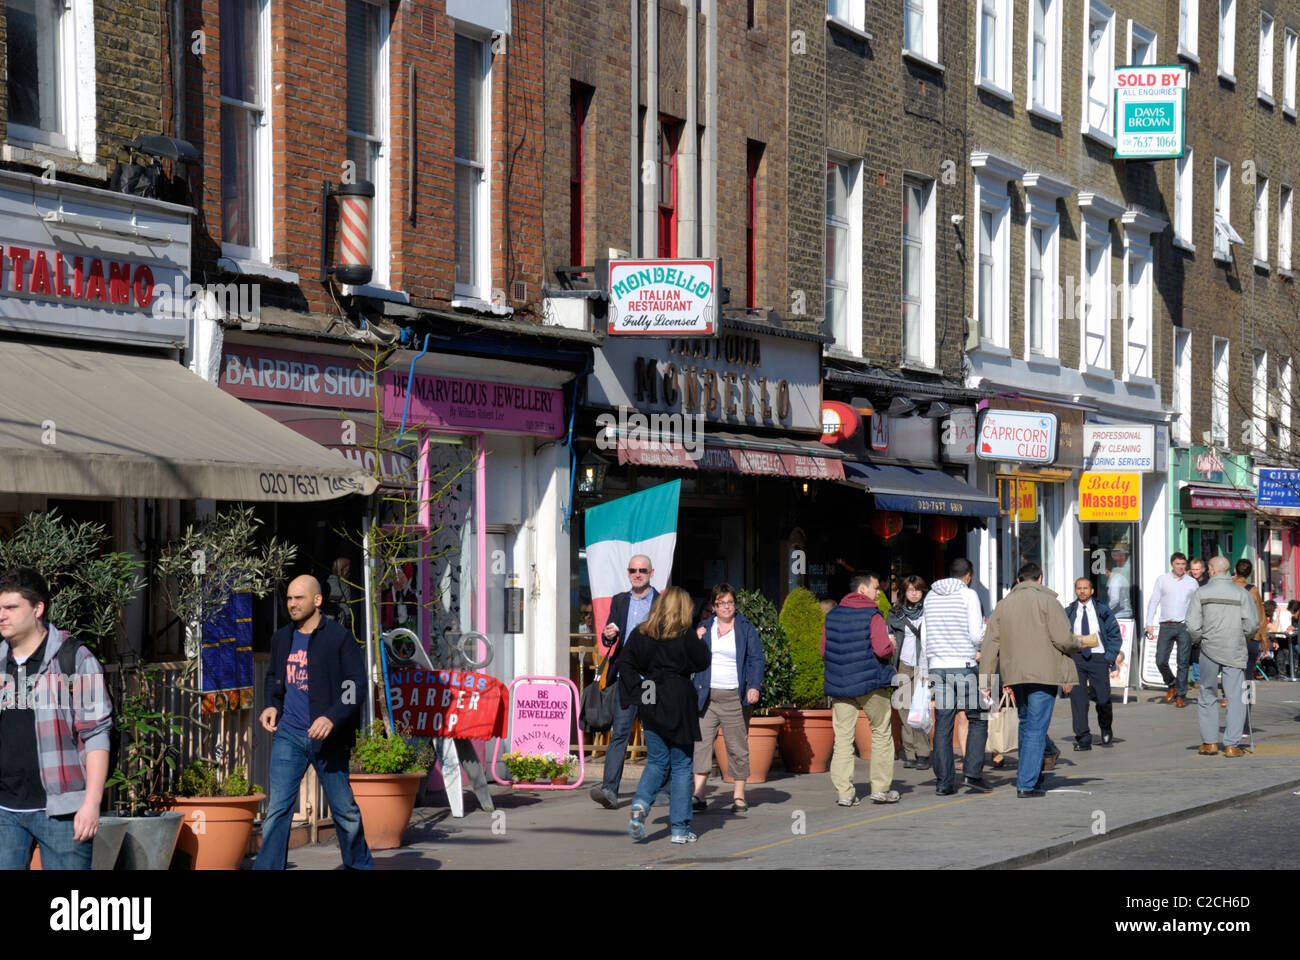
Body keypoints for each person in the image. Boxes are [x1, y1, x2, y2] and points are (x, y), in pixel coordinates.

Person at [254, 575, 372, 870]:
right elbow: (274, 677)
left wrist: (332, 716)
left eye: (299, 598)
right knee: (278, 810)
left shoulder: (339, 638)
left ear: (317, 600)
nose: (292, 604)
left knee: (345, 811)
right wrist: (272, 705)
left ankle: (359, 866)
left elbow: (356, 684)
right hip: (289, 734)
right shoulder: (281, 638)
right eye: (289, 598)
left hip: (328, 739)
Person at [0, 568, 112, 870]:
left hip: (63, 812)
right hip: (4, 811)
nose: (1, 615)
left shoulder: (75, 658)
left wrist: (91, 803)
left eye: (11, 607)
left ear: (37, 609)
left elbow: (96, 734)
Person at [981, 562, 1083, 798]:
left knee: (1026, 723)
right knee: (1036, 727)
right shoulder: (1049, 602)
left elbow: (990, 645)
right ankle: (1027, 783)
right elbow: (1062, 639)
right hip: (1043, 673)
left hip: (1014, 674)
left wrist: (985, 681)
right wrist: (1077, 643)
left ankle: (1031, 777)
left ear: (1018, 580)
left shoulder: (1003, 605)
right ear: (1040, 579)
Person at [619, 587, 711, 844]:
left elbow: (625, 662)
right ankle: (679, 829)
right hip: (678, 695)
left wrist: (637, 688)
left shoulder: (642, 632)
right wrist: (699, 641)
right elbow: (703, 661)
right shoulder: (685, 634)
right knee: (681, 765)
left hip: (650, 694)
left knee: (657, 761)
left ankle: (640, 802)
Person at [821, 571, 899, 805]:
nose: (879, 592)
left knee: (843, 738)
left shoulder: (832, 616)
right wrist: (891, 645)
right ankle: (880, 789)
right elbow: (882, 650)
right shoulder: (872, 615)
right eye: (876, 588)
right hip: (871, 683)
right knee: (881, 732)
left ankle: (845, 793)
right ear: (862, 589)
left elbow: (823, 650)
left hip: (840, 685)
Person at [589, 554, 659, 809]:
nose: (637, 574)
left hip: (650, 679)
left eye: (642, 570)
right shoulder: (620, 600)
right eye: (633, 570)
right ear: (628, 573)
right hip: (625, 678)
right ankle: (609, 790)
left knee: (654, 735)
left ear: (651, 573)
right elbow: (609, 637)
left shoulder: (661, 602)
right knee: (619, 733)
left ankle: (660, 790)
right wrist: (608, 635)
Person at [691, 584, 764, 813]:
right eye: (720, 603)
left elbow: (756, 659)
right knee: (701, 744)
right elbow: (691, 659)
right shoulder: (704, 627)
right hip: (707, 696)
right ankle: (699, 794)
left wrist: (753, 686)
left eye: (730, 602)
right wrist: (695, 641)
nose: (726, 607)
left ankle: (739, 795)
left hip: (734, 696)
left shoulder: (745, 628)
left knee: (737, 746)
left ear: (735, 604)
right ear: (713, 606)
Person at [922, 558, 991, 796]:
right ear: (968, 576)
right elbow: (976, 636)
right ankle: (972, 773)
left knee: (943, 724)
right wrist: (986, 631)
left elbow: (925, 635)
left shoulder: (930, 596)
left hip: (937, 666)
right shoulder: (968, 595)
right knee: (978, 717)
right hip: (963, 665)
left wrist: (926, 667)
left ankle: (944, 782)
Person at [1186, 556, 1258, 758]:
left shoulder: (1202, 592)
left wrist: (1200, 639)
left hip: (1208, 648)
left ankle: (1210, 743)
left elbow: (1192, 624)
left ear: (1211, 569)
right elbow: (1252, 624)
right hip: (1234, 649)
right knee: (1235, 697)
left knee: (1207, 694)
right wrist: (1242, 638)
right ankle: (1232, 745)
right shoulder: (1241, 593)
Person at [1064, 577, 1122, 750]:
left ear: (1092, 591)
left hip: (1098, 657)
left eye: (1085, 588)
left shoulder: (1102, 610)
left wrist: (1108, 657)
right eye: (1079, 588)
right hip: (1077, 658)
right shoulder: (1069, 611)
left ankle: (1106, 727)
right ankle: (1083, 738)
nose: (1082, 591)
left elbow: (1114, 635)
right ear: (1075, 591)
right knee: (1078, 700)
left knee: (1103, 698)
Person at [886, 576, 931, 770]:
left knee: (918, 708)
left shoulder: (930, 611)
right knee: (904, 709)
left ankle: (923, 752)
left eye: (918, 590)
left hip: (923, 665)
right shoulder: (895, 613)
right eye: (910, 590)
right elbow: (888, 634)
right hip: (903, 664)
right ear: (904, 592)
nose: (914, 593)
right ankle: (910, 752)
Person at [1145, 552, 1200, 708]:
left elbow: (1197, 606)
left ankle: (1180, 695)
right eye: (1178, 564)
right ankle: (1171, 683)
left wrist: (1197, 625)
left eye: (1183, 564)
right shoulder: (1162, 580)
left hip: (1184, 626)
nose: (1181, 567)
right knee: (1160, 660)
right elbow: (1154, 601)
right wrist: (1149, 623)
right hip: (1166, 625)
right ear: (1172, 564)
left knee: (1183, 662)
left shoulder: (1192, 582)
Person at [1232, 559, 1269, 681]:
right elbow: (1260, 615)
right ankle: (1247, 692)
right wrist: (1264, 638)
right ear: (1250, 573)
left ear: (1235, 570)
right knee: (1248, 672)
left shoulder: (1227, 587)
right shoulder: (1252, 590)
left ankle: (1230, 692)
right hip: (1250, 636)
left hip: (1230, 635)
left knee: (1231, 671)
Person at [326, 557, 355, 636]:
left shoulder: (325, 584)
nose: (350, 573)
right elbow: (347, 615)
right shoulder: (344, 586)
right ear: (341, 571)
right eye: (349, 569)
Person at [1106, 546, 1134, 618]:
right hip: (1126, 613)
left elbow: (1115, 599)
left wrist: (1105, 610)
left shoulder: (1115, 580)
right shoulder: (1121, 578)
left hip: (1119, 615)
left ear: (1107, 571)